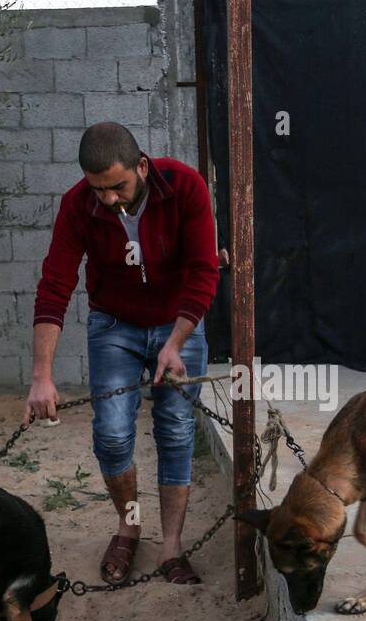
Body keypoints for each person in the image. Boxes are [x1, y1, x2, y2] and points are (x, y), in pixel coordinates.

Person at [24, 122, 220, 584]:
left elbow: (203, 271)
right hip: (114, 325)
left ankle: (171, 546)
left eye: (118, 186)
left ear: (142, 167)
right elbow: (54, 285)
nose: (109, 199)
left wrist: (174, 345)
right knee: (112, 434)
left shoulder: (185, 186)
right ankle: (128, 526)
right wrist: (41, 375)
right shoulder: (77, 205)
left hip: (179, 324)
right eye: (99, 190)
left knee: (174, 429)